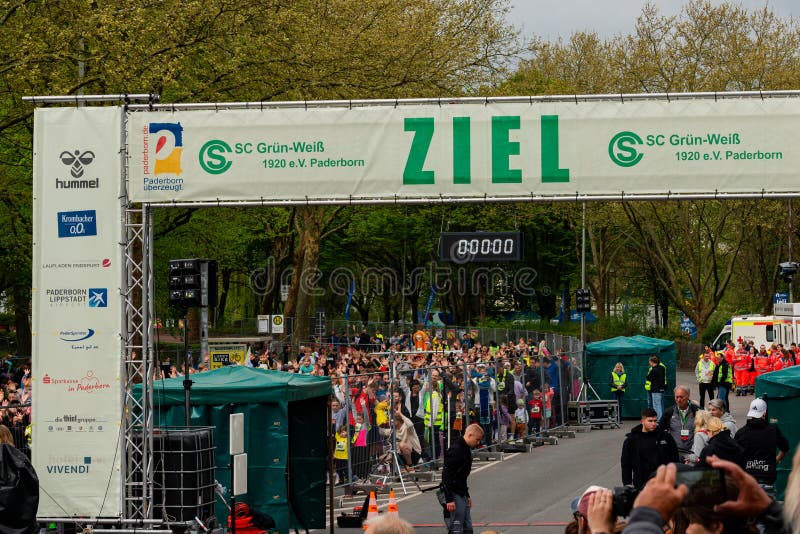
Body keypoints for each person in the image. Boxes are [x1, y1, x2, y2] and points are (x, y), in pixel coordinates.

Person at [734, 398, 790, 488]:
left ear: (750, 413)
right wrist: (776, 459)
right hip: (767, 478)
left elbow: (734, 455)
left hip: (747, 479)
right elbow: (785, 448)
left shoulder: (741, 432)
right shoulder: (773, 430)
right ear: (764, 413)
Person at [440, 423, 484, 534]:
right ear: (469, 435)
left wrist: (467, 495)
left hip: (461, 491)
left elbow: (462, 476)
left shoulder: (466, 449)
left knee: (467, 525)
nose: (478, 443)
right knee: (456, 526)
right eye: (477, 439)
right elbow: (446, 476)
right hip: (453, 492)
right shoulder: (456, 450)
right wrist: (449, 499)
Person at [621, 408, 679, 489]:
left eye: (655, 421)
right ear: (642, 421)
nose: (653, 424)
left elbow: (675, 458)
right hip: (641, 484)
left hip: (663, 482)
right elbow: (626, 465)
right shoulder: (631, 440)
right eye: (650, 421)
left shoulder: (665, 437)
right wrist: (627, 485)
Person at [659, 386, 699, 462]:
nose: (679, 400)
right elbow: (660, 431)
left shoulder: (697, 411)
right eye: (676, 397)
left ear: (688, 396)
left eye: (681, 397)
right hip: (674, 452)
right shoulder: (669, 412)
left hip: (692, 453)